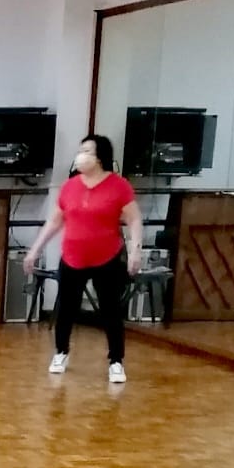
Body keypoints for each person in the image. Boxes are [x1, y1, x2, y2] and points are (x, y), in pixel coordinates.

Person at [23, 134, 142, 384]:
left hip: (106, 257)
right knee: (66, 308)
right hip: (73, 257)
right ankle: (61, 352)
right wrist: (35, 250)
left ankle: (116, 361)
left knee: (110, 310)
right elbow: (55, 221)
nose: (81, 155)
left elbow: (134, 219)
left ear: (99, 157)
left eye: (86, 150)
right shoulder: (70, 186)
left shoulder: (119, 186)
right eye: (80, 150)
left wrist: (135, 251)